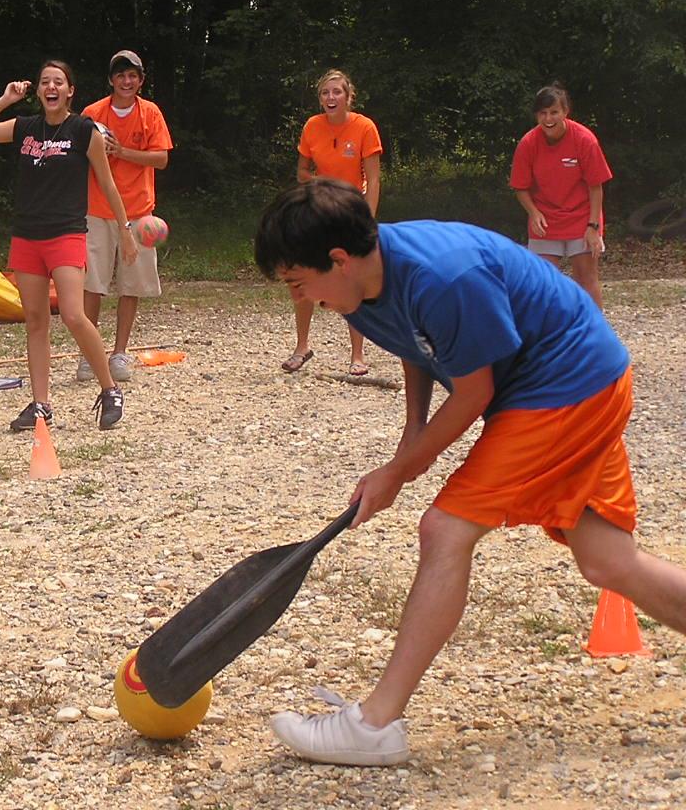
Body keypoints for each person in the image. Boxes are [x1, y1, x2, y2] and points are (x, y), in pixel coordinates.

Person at [254, 178, 686, 767]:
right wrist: (409, 437)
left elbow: (473, 394)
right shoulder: (364, 283)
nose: (298, 298)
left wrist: (401, 472)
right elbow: (417, 345)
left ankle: (376, 725)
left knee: (445, 530)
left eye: (298, 284)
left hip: (567, 386)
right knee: (608, 560)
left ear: (338, 258)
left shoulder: (444, 276)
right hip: (569, 384)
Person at [0, 60, 138, 432]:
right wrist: (5, 99)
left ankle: (109, 390)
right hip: (27, 236)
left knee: (74, 314)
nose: (51, 87)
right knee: (36, 322)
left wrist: (124, 230)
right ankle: (42, 404)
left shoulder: (83, 130)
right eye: (45, 82)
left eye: (58, 82)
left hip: (66, 233)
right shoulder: (26, 127)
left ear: (70, 91)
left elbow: (106, 184)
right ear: (39, 91)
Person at [78, 50, 173, 383]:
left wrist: (121, 152)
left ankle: (119, 353)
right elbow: (76, 154)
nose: (126, 81)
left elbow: (161, 159)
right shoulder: (93, 113)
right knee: (92, 285)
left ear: (140, 80)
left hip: (139, 212)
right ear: (110, 80)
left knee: (131, 286)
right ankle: (89, 356)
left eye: (132, 75)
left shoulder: (150, 113)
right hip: (96, 210)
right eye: (120, 75)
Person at [282, 69, 382, 376]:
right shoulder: (312, 126)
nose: (330, 98)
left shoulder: (365, 127)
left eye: (337, 92)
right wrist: (319, 184)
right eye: (325, 93)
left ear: (349, 97)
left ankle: (358, 354)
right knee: (303, 272)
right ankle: (302, 348)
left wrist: (368, 219)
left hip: (351, 213)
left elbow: (374, 179)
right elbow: (301, 171)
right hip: (318, 209)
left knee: (352, 279)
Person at [510, 83, 611, 308]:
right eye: (543, 113)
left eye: (554, 112)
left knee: (586, 278)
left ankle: (594, 336)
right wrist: (533, 212)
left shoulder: (585, 139)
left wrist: (593, 227)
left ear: (565, 112)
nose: (548, 118)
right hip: (546, 219)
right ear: (537, 115)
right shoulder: (528, 143)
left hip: (583, 216)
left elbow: (596, 186)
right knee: (541, 283)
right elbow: (520, 187)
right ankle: (546, 337)